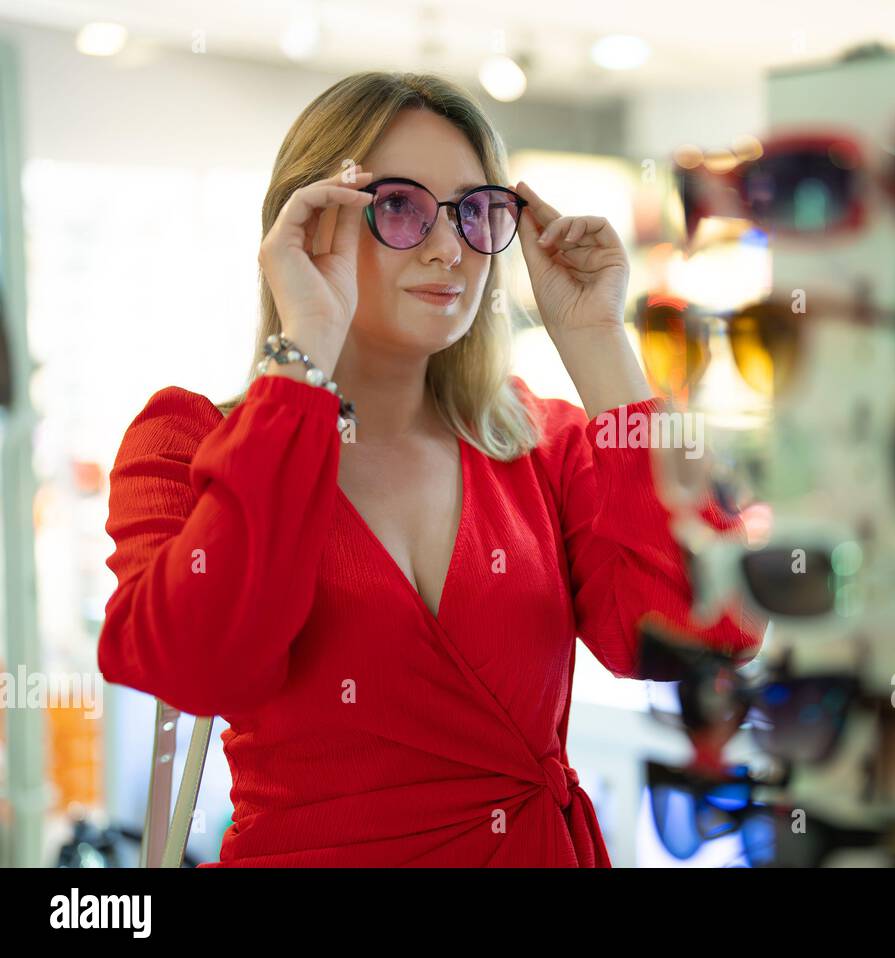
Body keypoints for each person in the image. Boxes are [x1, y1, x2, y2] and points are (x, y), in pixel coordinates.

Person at [97, 71, 765, 867]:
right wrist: (302, 350)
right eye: (401, 208)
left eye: (476, 211)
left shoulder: (537, 444)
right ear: (309, 225)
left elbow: (704, 634)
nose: (452, 246)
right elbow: (199, 665)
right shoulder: (191, 441)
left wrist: (596, 343)